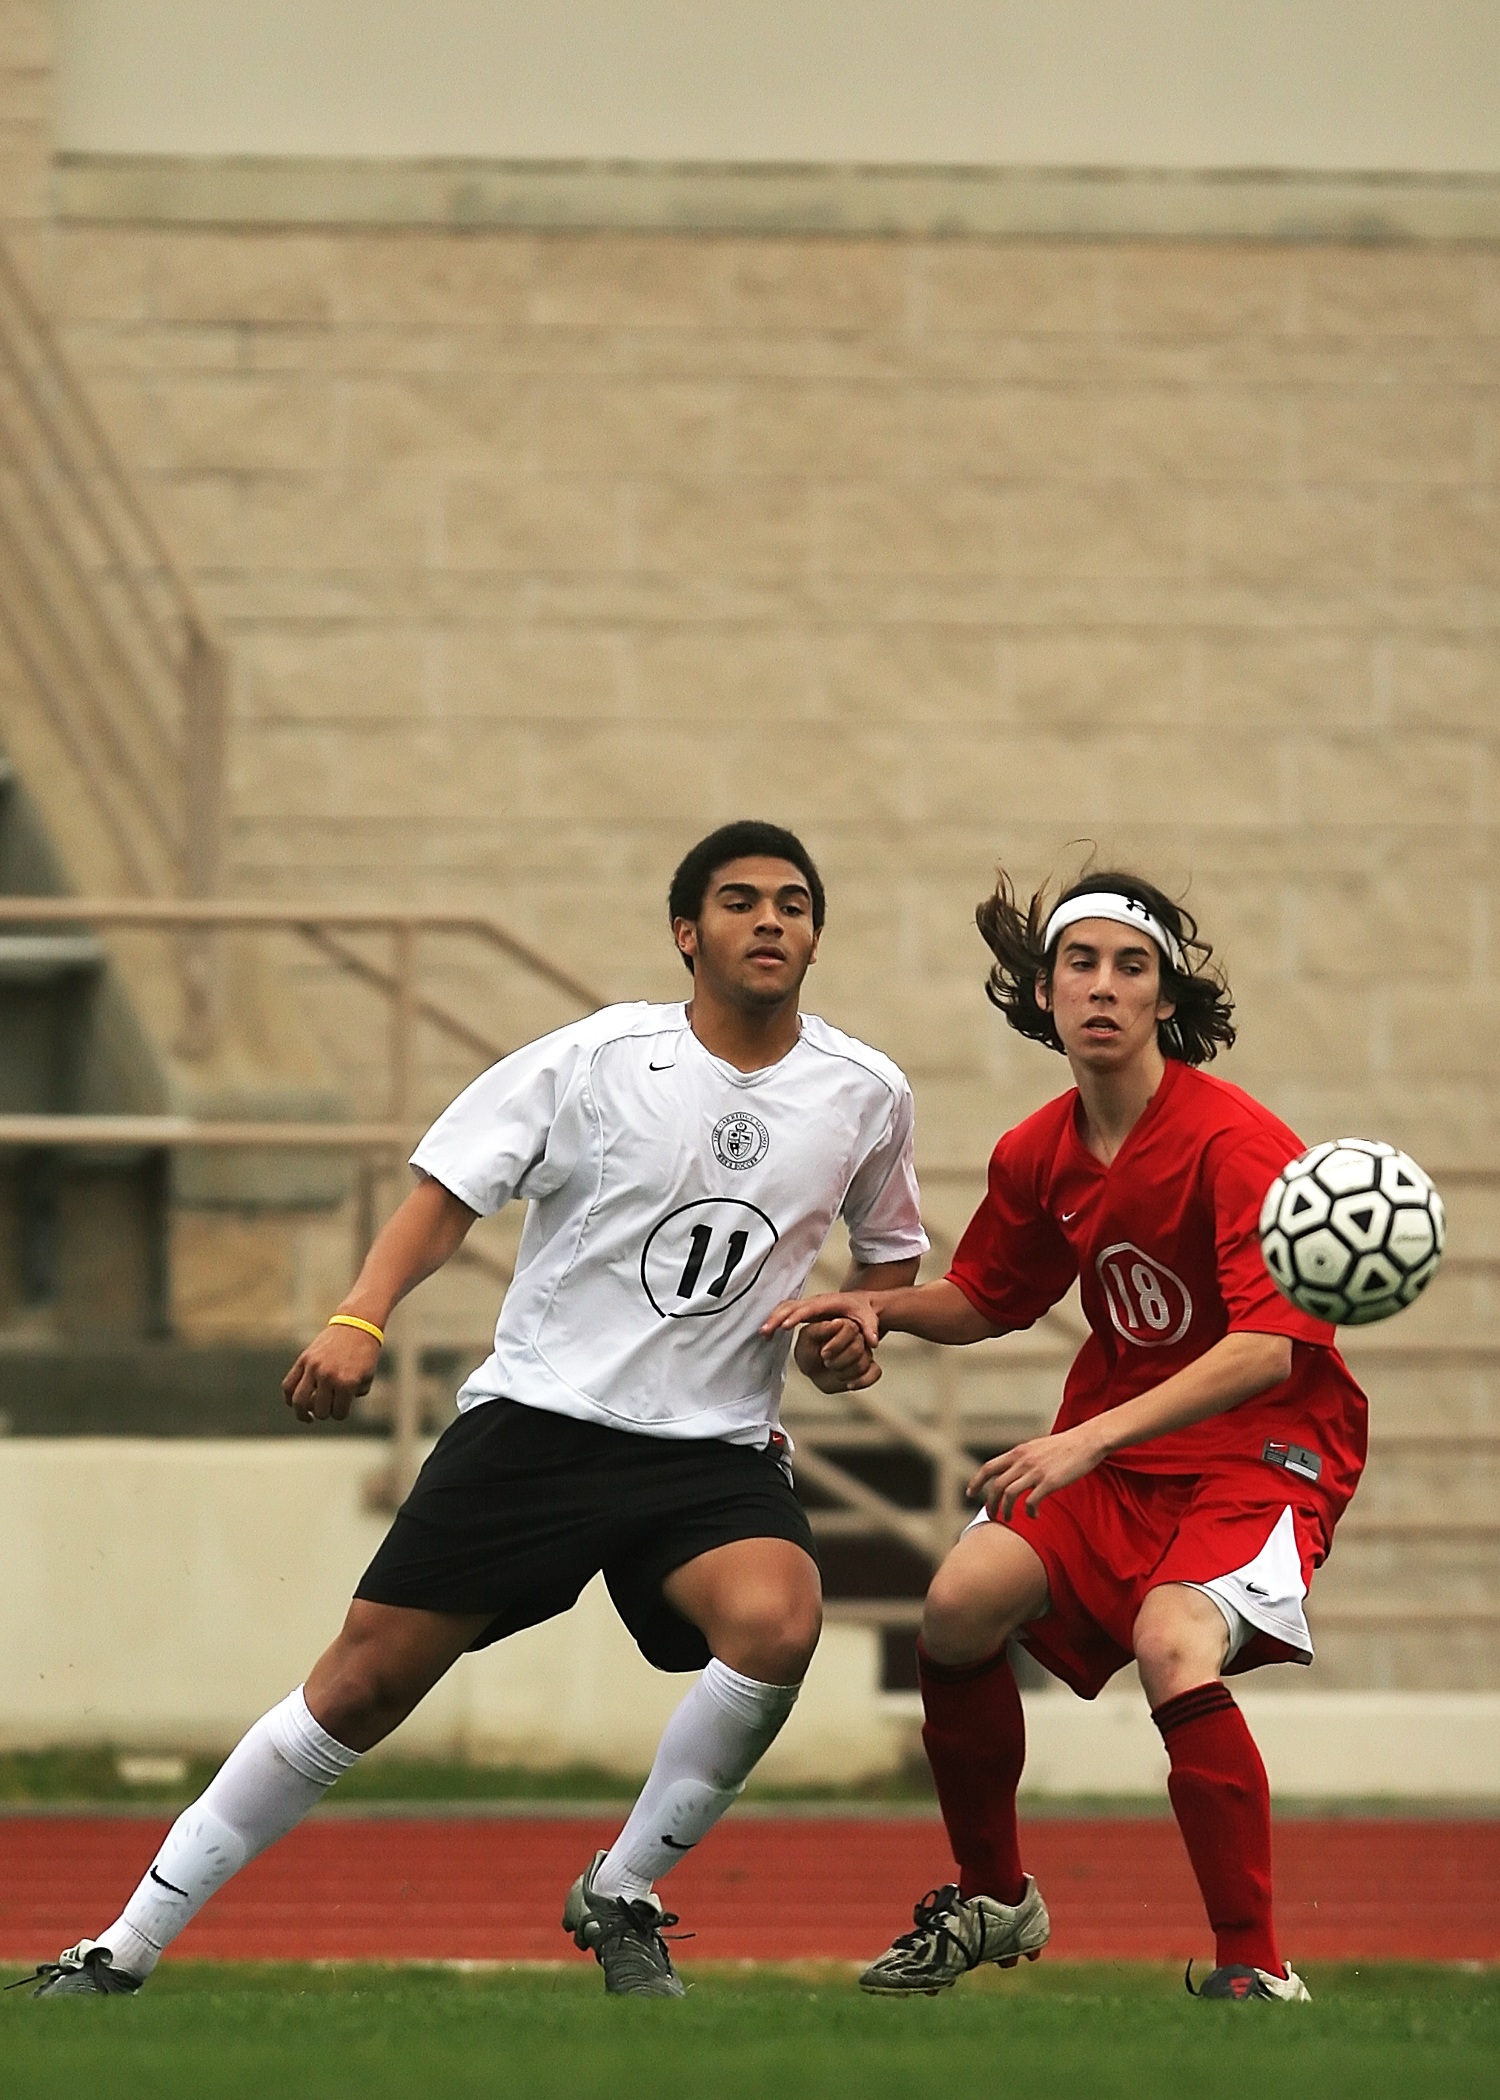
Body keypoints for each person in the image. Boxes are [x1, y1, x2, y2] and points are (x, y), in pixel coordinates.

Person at [25, 819, 925, 2001]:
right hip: (542, 1430)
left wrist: (857, 1332)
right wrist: (359, 1316)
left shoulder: (865, 1092)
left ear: (815, 935)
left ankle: (623, 1891)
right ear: (685, 932)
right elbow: (451, 1189)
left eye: (794, 904)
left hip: (711, 1451)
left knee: (781, 1623)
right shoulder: (600, 1058)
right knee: (358, 1689)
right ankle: (118, 1948)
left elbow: (888, 1257)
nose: (770, 921)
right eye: (741, 900)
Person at [765, 867, 1367, 2006]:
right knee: (956, 1606)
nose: (1103, 988)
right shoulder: (1039, 1151)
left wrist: (1086, 1441)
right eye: (1079, 966)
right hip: (1128, 1451)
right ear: (1041, 994)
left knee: (1173, 1642)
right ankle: (992, 1898)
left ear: (1164, 999)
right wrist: (876, 1306)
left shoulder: (1237, 1144)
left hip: (1268, 1445)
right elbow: (989, 1294)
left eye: (1130, 968)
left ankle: (1256, 1965)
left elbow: (1271, 1350)